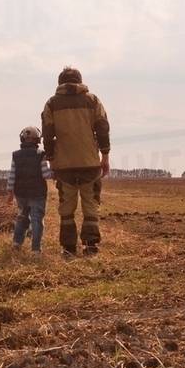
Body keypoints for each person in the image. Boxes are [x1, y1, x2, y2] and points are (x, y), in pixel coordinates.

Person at [42, 66, 110, 256]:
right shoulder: (93, 100)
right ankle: (90, 246)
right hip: (90, 163)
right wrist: (105, 155)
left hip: (64, 166)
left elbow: (47, 135)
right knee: (90, 205)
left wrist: (51, 161)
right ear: (79, 81)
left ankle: (68, 248)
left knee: (66, 208)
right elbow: (102, 128)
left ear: (60, 82)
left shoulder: (51, 104)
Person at [6, 126, 52, 252]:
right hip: (38, 193)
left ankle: (16, 243)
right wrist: (56, 173)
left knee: (22, 217)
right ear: (38, 140)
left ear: (22, 139)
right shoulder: (41, 155)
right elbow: (46, 174)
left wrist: (10, 193)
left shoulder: (16, 155)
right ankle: (36, 249)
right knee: (37, 220)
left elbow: (12, 175)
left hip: (21, 194)